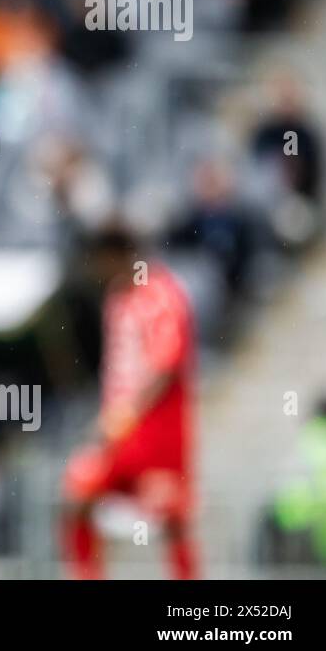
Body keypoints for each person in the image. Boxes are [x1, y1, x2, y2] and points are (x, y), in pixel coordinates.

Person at [61, 221, 198, 579]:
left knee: (170, 520)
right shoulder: (118, 298)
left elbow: (166, 365)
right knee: (78, 492)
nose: (95, 270)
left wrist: (126, 414)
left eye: (99, 260)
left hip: (158, 437)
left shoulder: (161, 294)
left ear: (117, 255)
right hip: (121, 436)